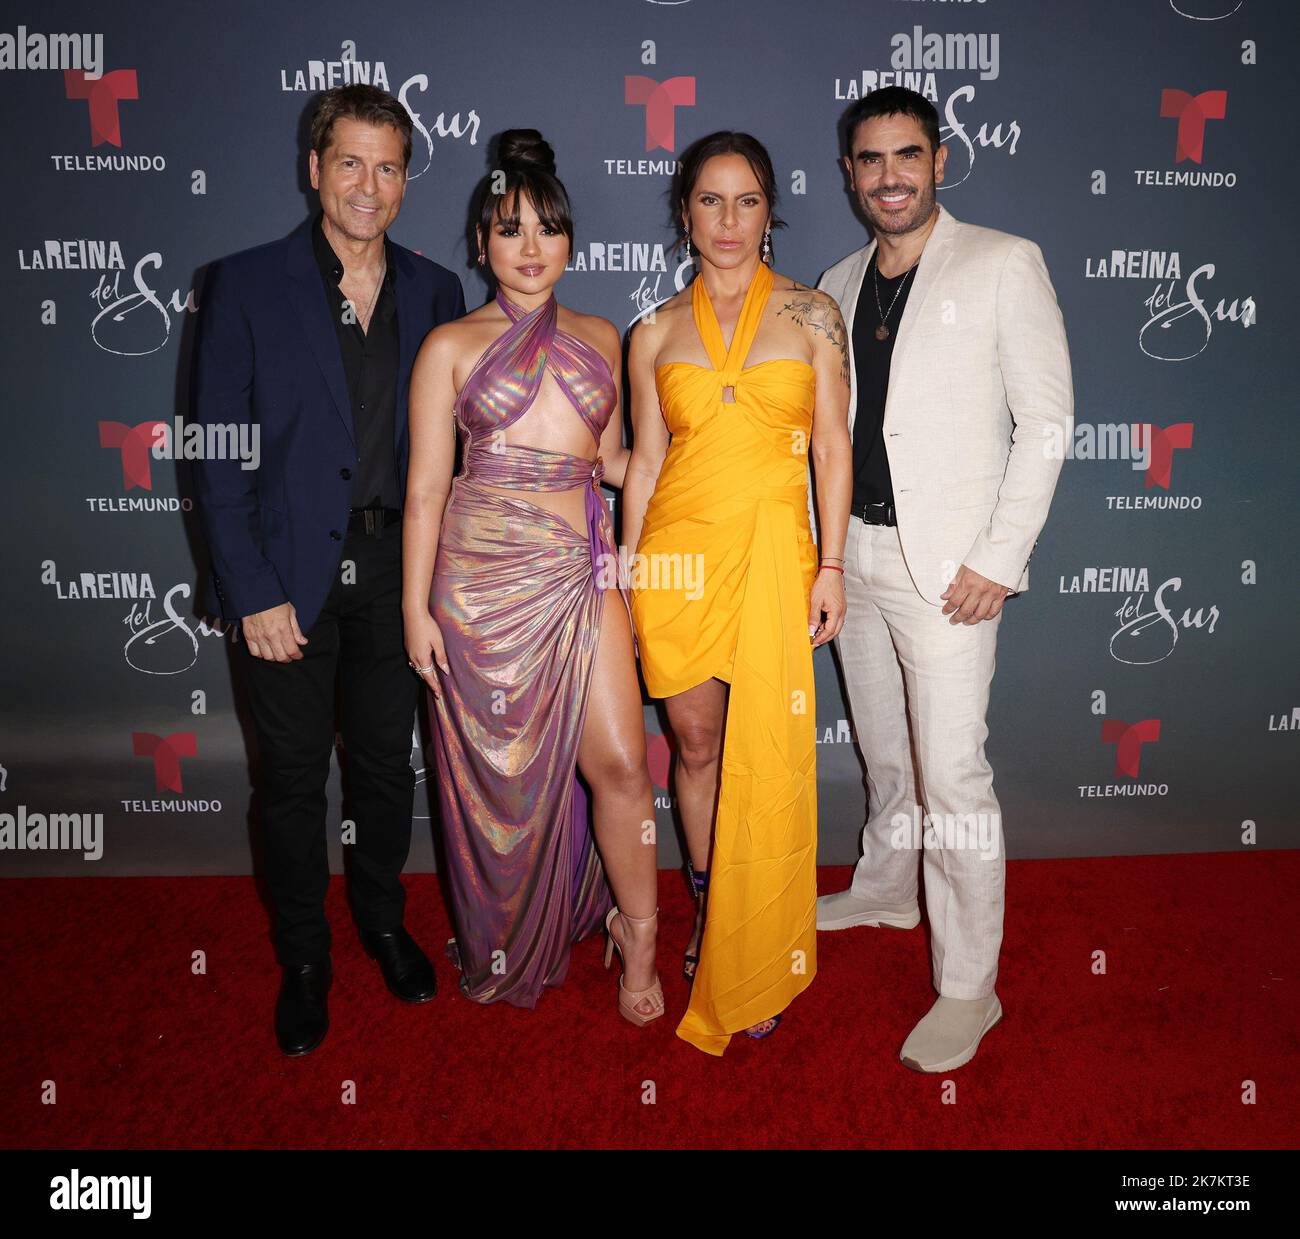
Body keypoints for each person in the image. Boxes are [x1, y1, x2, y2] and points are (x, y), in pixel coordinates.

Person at [191, 85, 466, 1056]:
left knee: (387, 768)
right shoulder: (243, 284)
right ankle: (305, 956)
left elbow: (454, 452)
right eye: (349, 162)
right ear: (314, 169)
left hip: (400, 573)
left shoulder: (436, 292)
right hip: (283, 576)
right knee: (294, 779)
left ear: (404, 181)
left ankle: (384, 924)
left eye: (388, 166)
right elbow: (216, 453)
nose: (368, 185)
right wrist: (249, 590)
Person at [815, 87, 1073, 1072]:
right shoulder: (833, 281)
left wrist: (997, 561)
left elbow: (1045, 423)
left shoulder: (1004, 262)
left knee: (954, 776)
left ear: (940, 159)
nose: (888, 176)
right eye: (869, 160)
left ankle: (969, 988)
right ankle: (886, 888)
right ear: (848, 173)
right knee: (887, 753)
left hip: (951, 572)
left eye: (905, 156)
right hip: (858, 559)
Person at [403, 130, 662, 1024]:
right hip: (478, 584)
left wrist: (694, 453)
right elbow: (428, 487)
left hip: (584, 575)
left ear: (569, 241)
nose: (529, 247)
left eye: (547, 229)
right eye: (508, 229)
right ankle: (505, 934)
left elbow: (618, 459)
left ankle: (641, 934)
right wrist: (414, 610)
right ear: (481, 242)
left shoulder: (602, 335)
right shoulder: (447, 346)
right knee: (501, 782)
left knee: (624, 764)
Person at [622, 132, 852, 1055]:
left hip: (773, 559)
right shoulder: (653, 329)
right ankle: (715, 911)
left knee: (765, 750)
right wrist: (624, 572)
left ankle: (755, 944)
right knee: (696, 741)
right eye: (709, 202)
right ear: (685, 212)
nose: (727, 221)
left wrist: (831, 563)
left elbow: (831, 448)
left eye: (746, 200)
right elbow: (643, 464)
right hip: (676, 559)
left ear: (771, 210)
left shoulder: (815, 314)